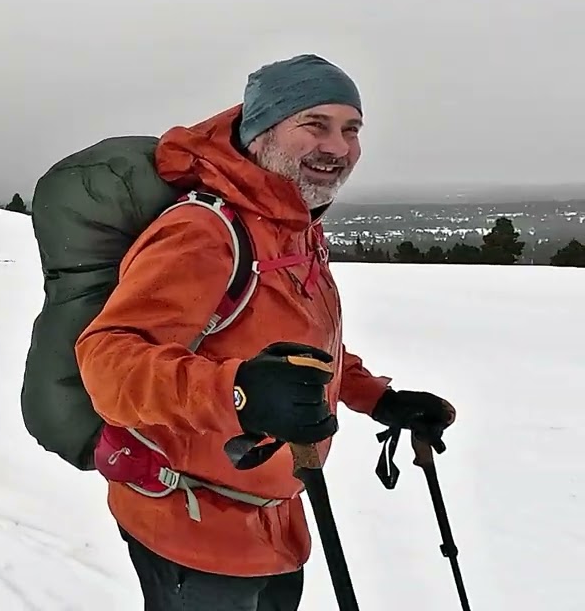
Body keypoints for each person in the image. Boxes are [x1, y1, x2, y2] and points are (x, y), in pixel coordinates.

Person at [73, 54, 457, 610]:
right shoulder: (204, 232)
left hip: (275, 521)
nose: (339, 147)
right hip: (192, 528)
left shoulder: (292, 226)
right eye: (314, 124)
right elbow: (106, 363)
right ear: (262, 133)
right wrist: (238, 394)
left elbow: (298, 345)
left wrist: (378, 398)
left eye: (351, 129)